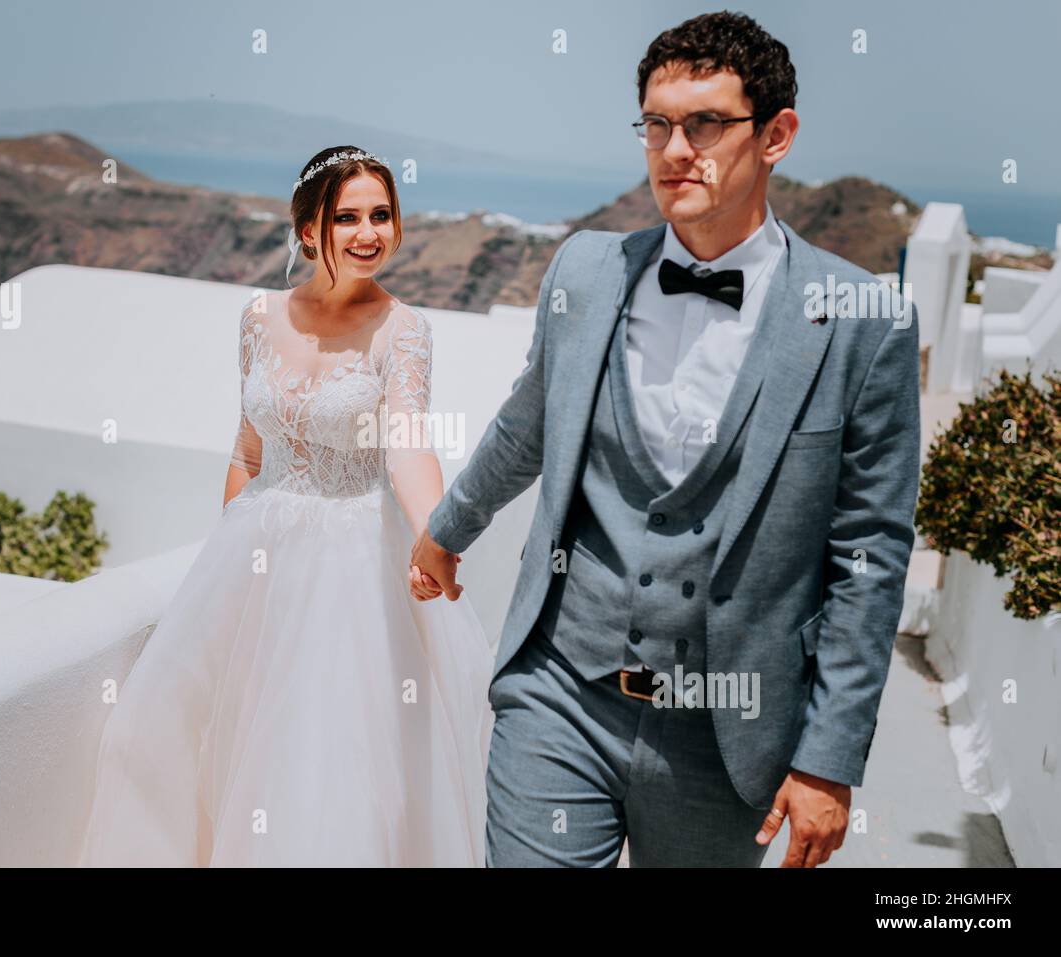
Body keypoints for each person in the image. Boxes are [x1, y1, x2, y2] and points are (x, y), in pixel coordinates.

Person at [411, 11, 922, 868]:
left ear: (777, 135)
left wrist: (828, 759)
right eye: (657, 123)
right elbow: (526, 424)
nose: (675, 148)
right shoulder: (584, 270)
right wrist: (445, 529)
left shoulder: (863, 321)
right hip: (559, 692)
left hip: (727, 740)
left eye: (706, 123)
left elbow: (868, 553)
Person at [79, 146, 495, 867]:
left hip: (355, 573)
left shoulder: (405, 330)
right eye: (347, 217)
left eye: (381, 215)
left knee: (327, 779)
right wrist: (226, 575)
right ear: (309, 231)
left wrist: (436, 532)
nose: (369, 233)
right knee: (151, 732)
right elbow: (246, 452)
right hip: (254, 559)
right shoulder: (256, 318)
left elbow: (407, 446)